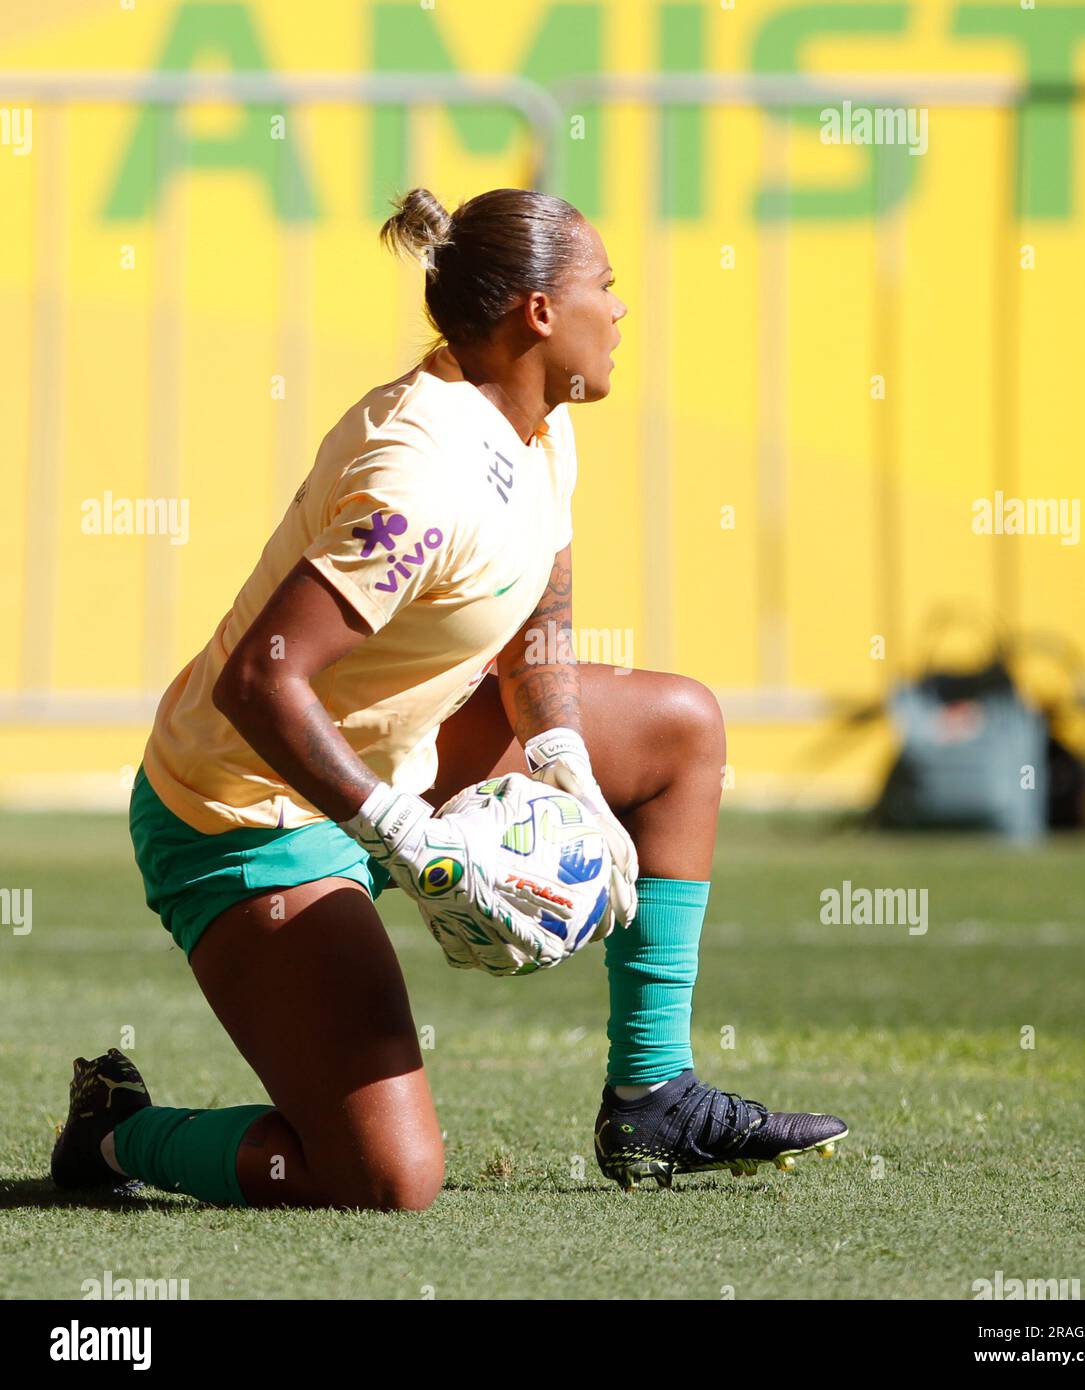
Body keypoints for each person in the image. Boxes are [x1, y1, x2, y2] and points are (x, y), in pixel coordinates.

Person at [51, 187, 847, 1208]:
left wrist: (560, 753)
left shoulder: (536, 417)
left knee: (679, 729)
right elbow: (262, 679)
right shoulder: (421, 474)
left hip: (403, 749)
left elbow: (543, 611)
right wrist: (400, 833)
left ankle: (654, 1095)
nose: (622, 310)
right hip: (248, 810)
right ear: (540, 313)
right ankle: (117, 1135)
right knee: (383, 1177)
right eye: (605, 286)